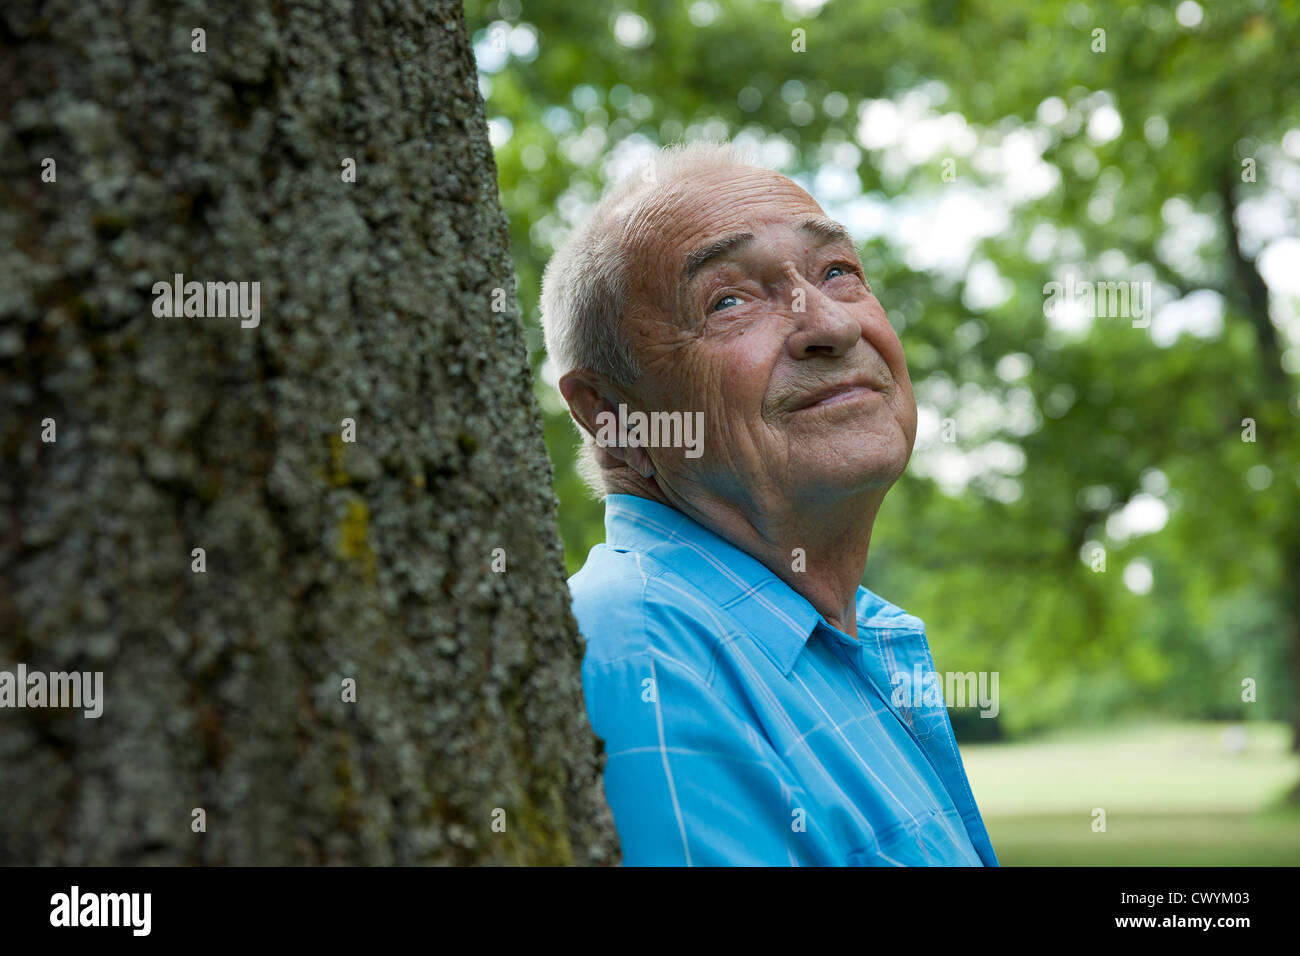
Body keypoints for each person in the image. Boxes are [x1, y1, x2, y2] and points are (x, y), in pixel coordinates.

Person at [541, 141, 998, 866]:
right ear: (612, 416)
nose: (833, 326)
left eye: (839, 272)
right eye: (729, 300)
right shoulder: (643, 651)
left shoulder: (849, 634)